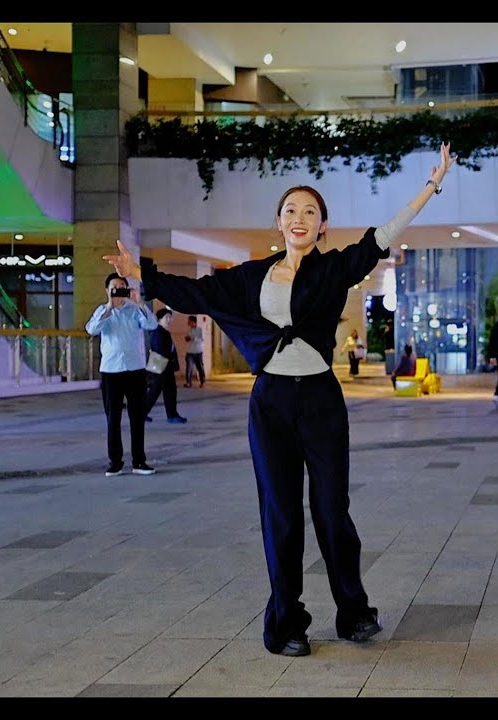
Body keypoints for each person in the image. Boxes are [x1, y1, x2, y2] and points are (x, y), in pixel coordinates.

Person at [103, 143, 455, 658]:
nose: (299, 218)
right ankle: (286, 623)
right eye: (291, 210)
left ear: (321, 226)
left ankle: (353, 613)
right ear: (279, 222)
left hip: (321, 401)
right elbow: (198, 293)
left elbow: (382, 236)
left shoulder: (333, 270)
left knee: (332, 511)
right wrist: (142, 276)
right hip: (270, 403)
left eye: (310, 212)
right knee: (281, 514)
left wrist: (432, 184)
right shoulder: (253, 276)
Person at [84, 272, 158, 477]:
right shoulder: (103, 311)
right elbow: (91, 329)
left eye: (122, 288)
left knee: (137, 418)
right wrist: (109, 306)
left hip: (135, 370)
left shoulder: (134, 311)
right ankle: (115, 462)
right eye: (114, 288)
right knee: (113, 418)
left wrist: (140, 302)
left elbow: (152, 325)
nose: (118, 291)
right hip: (111, 371)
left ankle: (139, 461)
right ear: (107, 291)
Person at [144, 307, 187, 424]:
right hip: (161, 365)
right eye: (167, 317)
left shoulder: (163, 332)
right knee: (163, 391)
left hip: (164, 366)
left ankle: (144, 413)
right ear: (159, 319)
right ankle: (171, 415)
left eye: (170, 318)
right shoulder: (158, 332)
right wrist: (170, 357)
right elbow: (159, 350)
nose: (169, 320)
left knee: (161, 390)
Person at [183, 315, 205, 388]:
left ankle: (202, 382)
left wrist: (193, 338)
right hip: (190, 352)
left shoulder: (200, 329)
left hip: (198, 351)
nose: (188, 322)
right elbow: (187, 339)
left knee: (200, 368)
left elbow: (202, 339)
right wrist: (187, 339)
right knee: (189, 368)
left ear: (193, 322)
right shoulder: (189, 330)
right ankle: (188, 383)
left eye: (189, 321)